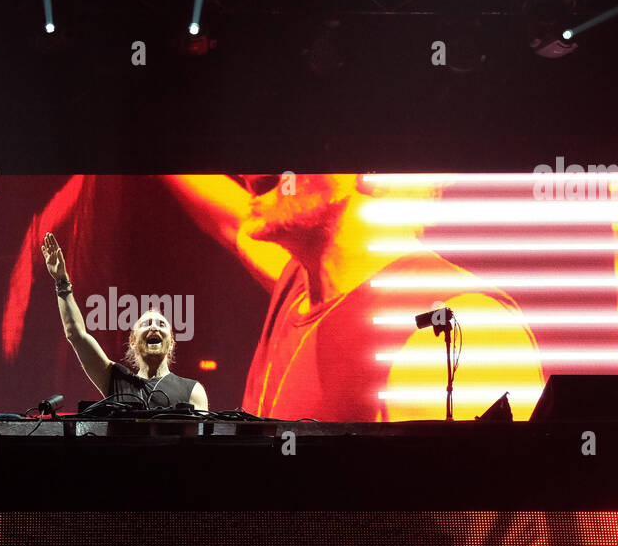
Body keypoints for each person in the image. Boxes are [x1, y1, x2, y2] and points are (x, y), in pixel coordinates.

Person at [163, 173, 545, 421]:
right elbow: (234, 221)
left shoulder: (457, 326)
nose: (250, 175)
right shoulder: (298, 284)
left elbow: (483, 539)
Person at [41, 231, 209, 411]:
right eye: (146, 324)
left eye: (161, 324)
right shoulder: (115, 380)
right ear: (133, 342)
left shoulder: (192, 390)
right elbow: (76, 334)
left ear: (171, 344)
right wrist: (61, 281)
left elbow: (199, 437)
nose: (153, 327)